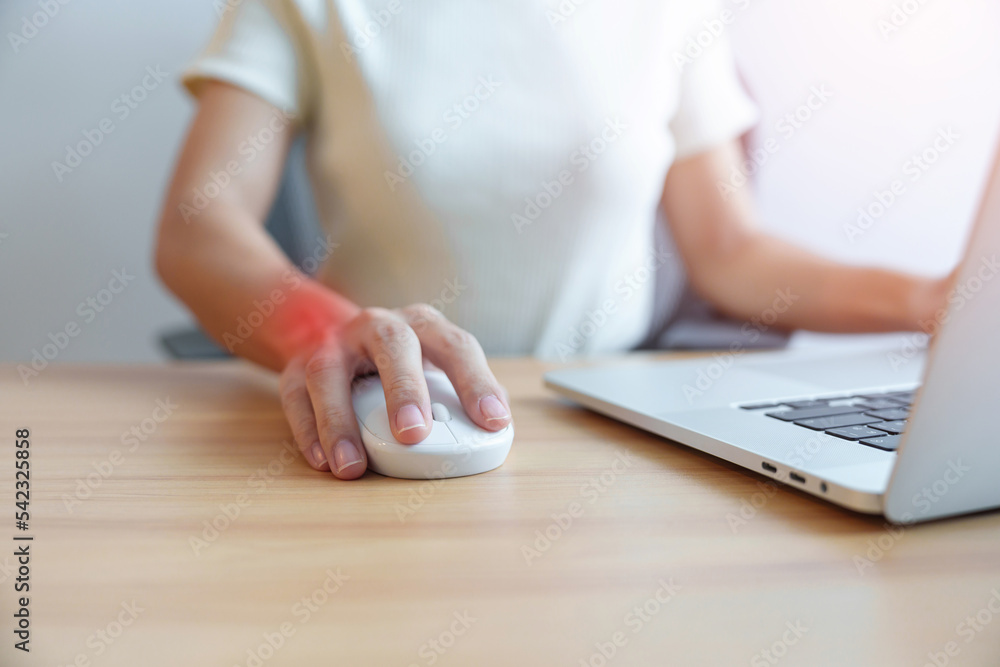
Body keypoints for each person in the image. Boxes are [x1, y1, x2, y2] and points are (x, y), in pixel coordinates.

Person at [155, 0, 951, 481]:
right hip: (388, 426)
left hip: (610, 432)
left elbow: (732, 251)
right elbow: (198, 224)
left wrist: (935, 302)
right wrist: (324, 334)